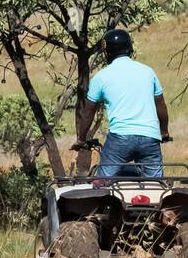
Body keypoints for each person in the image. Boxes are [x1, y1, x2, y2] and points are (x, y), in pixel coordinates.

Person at [73, 28, 172, 178]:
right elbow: (161, 105)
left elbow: (87, 113)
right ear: (130, 49)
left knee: (103, 184)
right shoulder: (148, 72)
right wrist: (164, 132)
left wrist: (81, 140)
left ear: (107, 52)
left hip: (120, 139)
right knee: (156, 186)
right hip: (149, 138)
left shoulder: (101, 77)